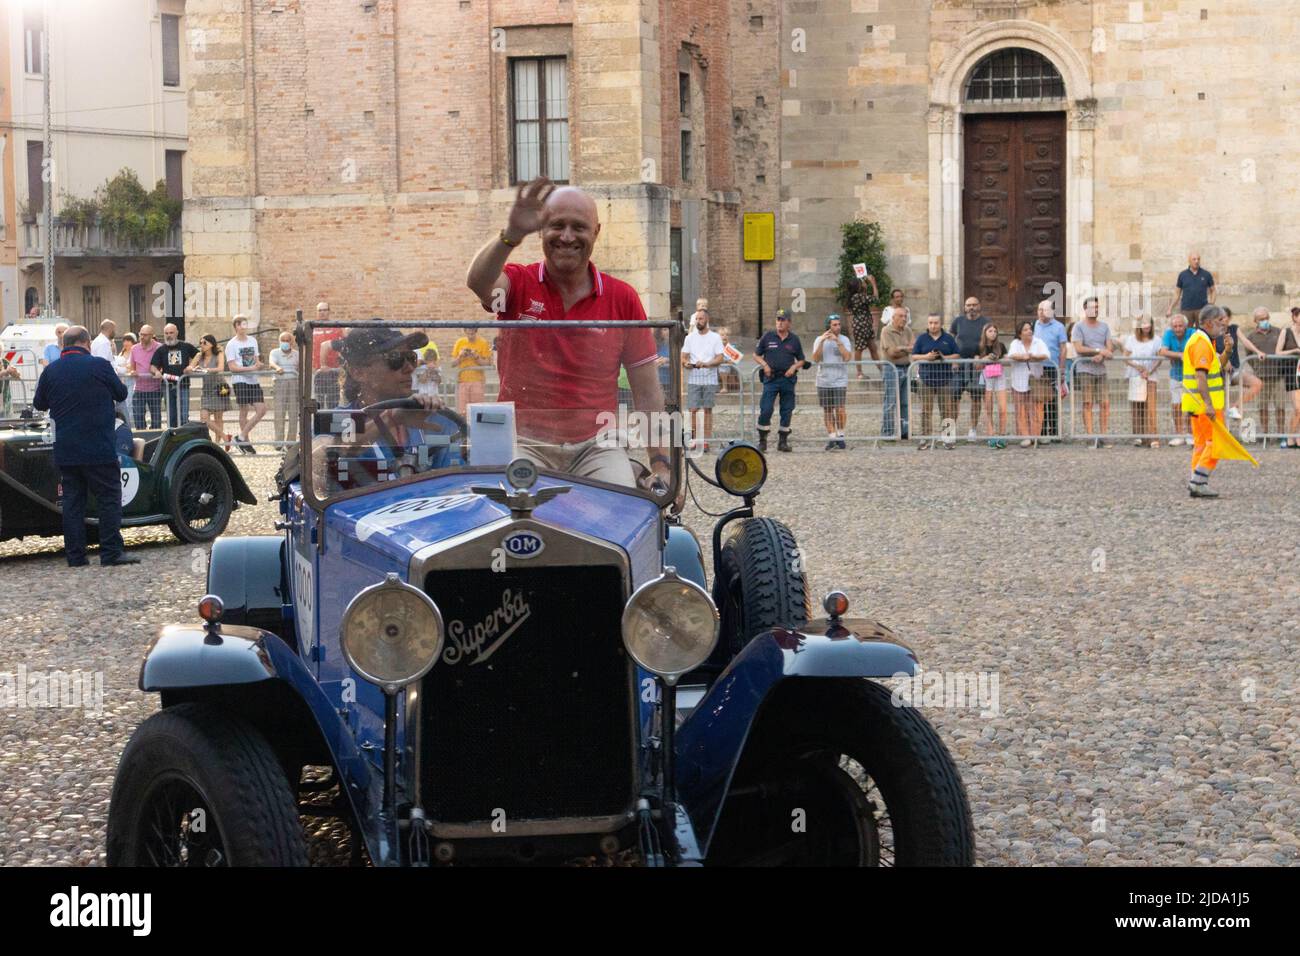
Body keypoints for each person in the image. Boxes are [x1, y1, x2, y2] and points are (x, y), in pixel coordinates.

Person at [465, 178, 670, 492]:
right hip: (524, 442)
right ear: (541, 231)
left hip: (597, 444)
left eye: (579, 227)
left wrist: (662, 465)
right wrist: (510, 236)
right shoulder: (519, 284)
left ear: (596, 232)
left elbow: (647, 392)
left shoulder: (622, 298)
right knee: (511, 516)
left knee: (621, 510)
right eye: (556, 225)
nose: (567, 237)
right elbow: (478, 282)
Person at [31, 326, 138, 566]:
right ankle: (110, 553)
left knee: (72, 502)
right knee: (109, 498)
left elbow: (39, 403)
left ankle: (76, 556)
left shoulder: (51, 371)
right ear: (86, 343)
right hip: (98, 446)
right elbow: (121, 394)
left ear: (65, 345)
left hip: (66, 449)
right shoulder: (99, 365)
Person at [311, 327, 452, 494]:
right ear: (358, 372)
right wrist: (390, 419)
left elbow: (456, 487)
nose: (409, 368)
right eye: (395, 359)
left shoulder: (430, 420)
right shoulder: (343, 418)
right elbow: (317, 460)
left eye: (411, 358)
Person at [1183, 305, 1231, 497]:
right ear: (1209, 322)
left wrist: (1228, 350)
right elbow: (1200, 376)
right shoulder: (1202, 343)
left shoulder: (1204, 340)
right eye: (1221, 321)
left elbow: (1218, 365)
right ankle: (1198, 481)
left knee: (1202, 444)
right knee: (1215, 443)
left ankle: (1196, 479)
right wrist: (1209, 404)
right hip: (1205, 406)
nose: (1224, 324)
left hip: (1198, 404)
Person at [753, 309, 807, 453]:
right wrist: (764, 365)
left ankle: (783, 442)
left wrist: (794, 366)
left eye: (783, 320)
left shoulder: (794, 340)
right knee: (766, 409)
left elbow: (802, 359)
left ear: (789, 322)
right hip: (771, 379)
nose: (780, 323)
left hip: (787, 379)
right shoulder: (768, 337)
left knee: (787, 410)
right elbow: (756, 355)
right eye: (778, 319)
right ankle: (762, 441)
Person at [911, 313, 959, 450]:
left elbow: (957, 354)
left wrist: (945, 357)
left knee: (947, 410)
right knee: (925, 410)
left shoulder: (948, 338)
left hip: (945, 379)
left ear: (941, 323)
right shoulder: (921, 338)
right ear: (928, 324)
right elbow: (914, 356)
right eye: (931, 323)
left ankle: (948, 439)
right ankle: (925, 438)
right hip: (926, 379)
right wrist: (926, 357)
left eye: (936, 323)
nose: (933, 325)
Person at [1071, 295, 1115, 446]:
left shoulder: (1104, 327)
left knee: (1105, 403)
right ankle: (1090, 435)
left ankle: (1103, 435)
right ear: (1085, 309)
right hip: (1085, 370)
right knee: (1087, 402)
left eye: (1096, 307)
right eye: (1091, 308)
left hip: (1101, 370)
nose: (1094, 310)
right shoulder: (1078, 327)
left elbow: (1109, 348)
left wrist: (1102, 354)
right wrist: (1098, 351)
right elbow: (1078, 347)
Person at [682, 307, 725, 453]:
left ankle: (706, 439)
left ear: (707, 320)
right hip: (694, 378)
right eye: (697, 319)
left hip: (709, 379)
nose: (698, 321)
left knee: (707, 410)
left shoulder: (715, 337)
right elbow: (683, 355)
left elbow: (720, 357)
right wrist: (685, 363)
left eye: (701, 318)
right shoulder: (690, 337)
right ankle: (695, 439)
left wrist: (707, 364)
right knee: (693, 409)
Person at [225, 315, 268, 453]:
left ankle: (241, 437)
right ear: (236, 326)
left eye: (245, 324)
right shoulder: (231, 344)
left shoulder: (253, 341)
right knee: (244, 410)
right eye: (241, 324)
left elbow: (256, 360)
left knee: (261, 409)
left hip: (253, 380)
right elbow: (232, 367)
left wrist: (259, 365)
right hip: (240, 380)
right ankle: (246, 442)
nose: (244, 326)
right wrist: (250, 368)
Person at [950, 296, 990, 440]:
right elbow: (951, 340)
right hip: (958, 367)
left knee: (976, 398)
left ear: (979, 305)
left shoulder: (986, 322)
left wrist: (982, 357)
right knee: (953, 398)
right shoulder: (958, 322)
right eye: (968, 305)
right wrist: (953, 359)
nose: (971, 307)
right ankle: (951, 429)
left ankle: (973, 428)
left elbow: (990, 342)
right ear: (964, 307)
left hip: (977, 368)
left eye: (974, 304)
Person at [812, 314, 853, 450]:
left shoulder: (844, 339)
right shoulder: (819, 339)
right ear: (828, 326)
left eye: (839, 324)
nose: (837, 327)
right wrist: (822, 341)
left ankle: (841, 436)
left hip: (839, 380)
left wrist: (837, 342)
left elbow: (847, 357)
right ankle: (832, 437)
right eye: (834, 325)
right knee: (828, 410)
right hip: (823, 380)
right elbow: (816, 359)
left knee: (840, 408)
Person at [1007, 319, 1050, 447]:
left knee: (1037, 409)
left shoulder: (1038, 342)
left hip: (1036, 380)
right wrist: (1023, 357)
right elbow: (1011, 355)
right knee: (1021, 410)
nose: (1029, 331)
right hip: (1019, 381)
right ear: (1020, 333)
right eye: (1025, 329)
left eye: (1030, 329)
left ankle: (1035, 435)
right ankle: (1025, 436)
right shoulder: (1016, 343)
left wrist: (1035, 357)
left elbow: (1047, 354)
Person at [1122, 316, 1163, 447]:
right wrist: (1138, 367)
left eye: (1148, 323)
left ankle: (1153, 437)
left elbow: (1159, 357)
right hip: (1136, 374)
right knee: (1137, 406)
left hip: (1150, 375)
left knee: (1150, 407)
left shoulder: (1157, 340)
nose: (1146, 326)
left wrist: (1149, 371)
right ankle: (1138, 436)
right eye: (1143, 323)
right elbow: (1125, 357)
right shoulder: (1131, 339)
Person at [1215, 307, 1261, 422]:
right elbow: (1209, 348)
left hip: (1233, 370)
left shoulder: (1234, 329)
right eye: (1218, 317)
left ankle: (1234, 407)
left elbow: (1245, 341)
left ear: (1229, 318)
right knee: (1218, 403)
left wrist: (1258, 351)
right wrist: (1222, 358)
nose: (1221, 320)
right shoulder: (1213, 332)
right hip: (1217, 372)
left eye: (1223, 317)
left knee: (1257, 383)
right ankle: (1221, 431)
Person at [1033, 299, 1069, 441]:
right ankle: (1041, 432)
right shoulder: (1034, 325)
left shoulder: (1059, 327)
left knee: (1053, 401)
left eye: (1044, 310)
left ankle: (1054, 432)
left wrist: (1061, 368)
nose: (1041, 313)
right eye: (1039, 310)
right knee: (1040, 400)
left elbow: (1063, 348)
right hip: (1039, 368)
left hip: (1053, 367)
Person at [150, 323, 198, 427]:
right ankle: (173, 439)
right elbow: (152, 366)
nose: (169, 335)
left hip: (183, 386)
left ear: (177, 333)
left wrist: (191, 366)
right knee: (171, 416)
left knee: (184, 416)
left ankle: (184, 439)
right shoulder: (161, 349)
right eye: (166, 333)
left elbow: (199, 354)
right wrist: (156, 372)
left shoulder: (185, 346)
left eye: (171, 332)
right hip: (168, 387)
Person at [1158, 313, 1193, 446]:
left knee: (1190, 406)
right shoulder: (1168, 334)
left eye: (1180, 326)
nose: (1177, 329)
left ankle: (1190, 433)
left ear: (1185, 326)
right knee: (1176, 405)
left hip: (1191, 376)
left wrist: (1184, 355)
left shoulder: (1192, 333)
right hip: (1176, 374)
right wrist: (1179, 355)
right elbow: (1163, 351)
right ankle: (1179, 434)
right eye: (1175, 326)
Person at [188, 334, 230, 443]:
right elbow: (189, 369)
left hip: (219, 387)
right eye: (200, 343)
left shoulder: (219, 353)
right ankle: (225, 437)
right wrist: (192, 369)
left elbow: (220, 368)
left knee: (218, 417)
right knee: (204, 418)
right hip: (207, 388)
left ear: (211, 344)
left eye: (204, 342)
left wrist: (205, 370)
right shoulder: (198, 355)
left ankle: (217, 443)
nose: (202, 345)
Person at [879, 306, 913, 440]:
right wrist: (906, 349)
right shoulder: (886, 331)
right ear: (893, 318)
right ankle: (887, 432)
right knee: (890, 402)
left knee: (905, 402)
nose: (904, 319)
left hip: (906, 368)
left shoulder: (908, 330)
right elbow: (892, 353)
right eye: (900, 316)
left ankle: (905, 431)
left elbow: (914, 347)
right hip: (891, 369)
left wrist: (901, 349)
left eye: (905, 316)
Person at [975, 323, 1008, 449]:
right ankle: (991, 434)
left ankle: (1003, 435)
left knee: (1002, 408)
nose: (993, 333)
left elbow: (1007, 360)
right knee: (989, 408)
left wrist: (1000, 358)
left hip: (999, 376)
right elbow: (976, 364)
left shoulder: (1001, 346)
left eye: (995, 331)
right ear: (985, 332)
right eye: (990, 331)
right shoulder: (979, 347)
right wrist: (986, 358)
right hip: (986, 377)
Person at [1165, 252, 1215, 327]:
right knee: (1186, 332)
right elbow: (1177, 293)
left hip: (1202, 309)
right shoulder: (1182, 275)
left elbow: (1213, 290)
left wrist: (1211, 304)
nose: (1196, 261)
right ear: (1189, 261)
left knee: (1202, 331)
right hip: (1186, 309)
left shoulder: (1206, 274)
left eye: (1198, 259)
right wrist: (1170, 308)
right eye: (1194, 259)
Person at [451, 326, 493, 415]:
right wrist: (461, 356)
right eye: (468, 333)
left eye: (472, 333)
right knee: (462, 411)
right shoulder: (460, 342)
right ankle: (465, 428)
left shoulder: (483, 342)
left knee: (477, 410)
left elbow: (488, 363)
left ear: (476, 331)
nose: (470, 335)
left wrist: (477, 357)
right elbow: (452, 364)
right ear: (465, 332)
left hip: (477, 380)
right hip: (462, 380)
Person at [269, 329, 300, 444]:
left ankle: (291, 441)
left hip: (293, 383)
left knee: (293, 413)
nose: (285, 342)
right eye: (283, 340)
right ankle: (279, 441)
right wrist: (277, 368)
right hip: (279, 383)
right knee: (279, 413)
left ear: (292, 342)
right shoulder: (274, 352)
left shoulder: (297, 354)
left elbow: (301, 367)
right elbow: (271, 363)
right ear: (279, 341)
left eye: (288, 340)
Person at [129, 325, 163, 429]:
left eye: (145, 335)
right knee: (138, 418)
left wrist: (159, 372)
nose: (142, 337)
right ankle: (142, 440)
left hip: (155, 389)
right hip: (139, 389)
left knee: (156, 419)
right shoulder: (134, 348)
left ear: (152, 336)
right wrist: (132, 372)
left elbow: (163, 366)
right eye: (141, 334)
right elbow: (131, 368)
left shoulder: (160, 347)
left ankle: (155, 441)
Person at [845, 273, 880, 371]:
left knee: (873, 348)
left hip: (865, 325)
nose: (862, 283)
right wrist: (873, 283)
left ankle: (881, 369)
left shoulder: (857, 296)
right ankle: (859, 372)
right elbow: (875, 298)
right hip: (861, 325)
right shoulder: (857, 296)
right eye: (860, 283)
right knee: (859, 348)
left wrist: (865, 285)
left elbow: (866, 297)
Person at [312, 301, 343, 410]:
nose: (322, 312)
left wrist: (340, 367)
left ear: (329, 311)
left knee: (333, 402)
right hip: (317, 370)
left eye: (325, 310)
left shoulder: (336, 328)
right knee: (317, 403)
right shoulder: (312, 328)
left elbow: (341, 348)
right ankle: (319, 426)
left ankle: (331, 426)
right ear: (317, 312)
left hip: (333, 370)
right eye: (320, 310)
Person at [1280, 306, 1300, 447]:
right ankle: (1290, 437)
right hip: (1291, 372)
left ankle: (1296, 437)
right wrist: (1294, 350)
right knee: (1298, 408)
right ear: (1294, 317)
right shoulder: (1285, 332)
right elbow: (1278, 352)